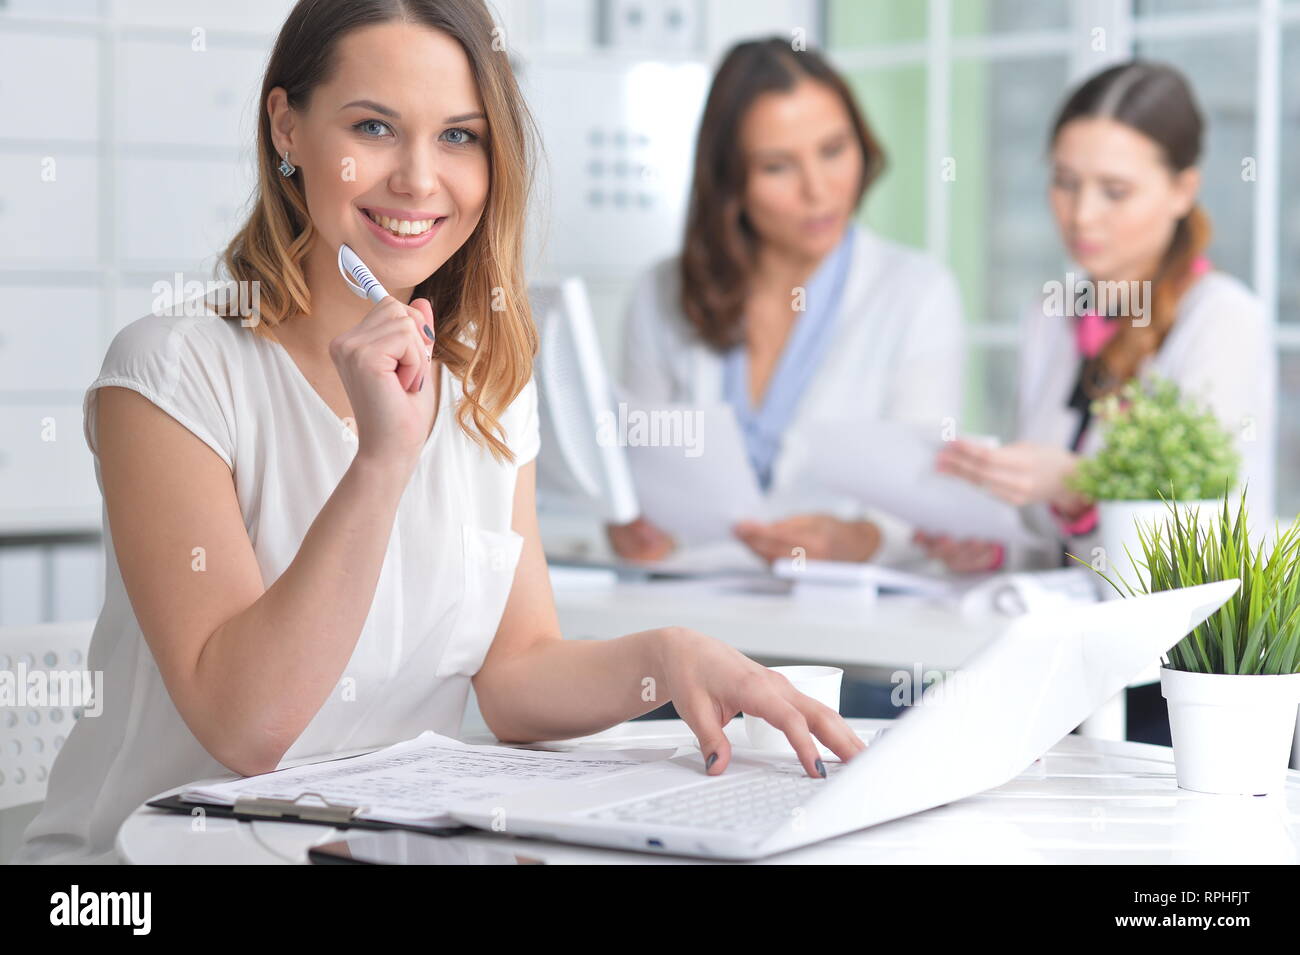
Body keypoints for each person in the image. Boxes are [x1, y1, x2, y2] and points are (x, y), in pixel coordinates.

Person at [16, 0, 864, 865]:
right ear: (288, 129)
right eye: (375, 127)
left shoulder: (489, 383)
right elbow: (249, 727)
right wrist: (382, 461)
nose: (420, 180)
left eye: (460, 136)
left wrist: (672, 656)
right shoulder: (170, 373)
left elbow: (517, 674)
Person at [916, 61, 1275, 744]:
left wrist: (1079, 485)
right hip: (1061, 675)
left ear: (1182, 190)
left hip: (1181, 690)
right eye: (1065, 182)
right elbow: (1049, 543)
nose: (1081, 215)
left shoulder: (1220, 318)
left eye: (1114, 190)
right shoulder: (1049, 317)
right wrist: (992, 544)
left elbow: (1189, 555)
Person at [608, 37, 965, 570]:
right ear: (732, 180)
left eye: (833, 150)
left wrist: (860, 541)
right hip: (692, 610)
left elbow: (923, 500)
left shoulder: (916, 292)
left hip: (846, 626)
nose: (819, 191)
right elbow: (635, 474)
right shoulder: (662, 292)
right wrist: (629, 523)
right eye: (778, 167)